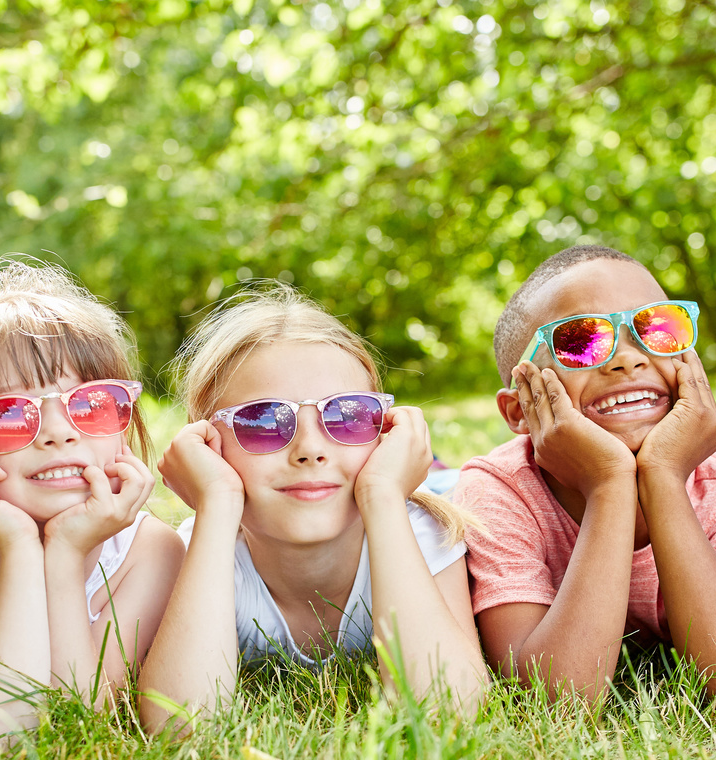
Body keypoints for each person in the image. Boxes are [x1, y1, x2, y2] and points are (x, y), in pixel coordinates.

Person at [139, 285, 487, 731]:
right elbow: (180, 726)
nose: (309, 449)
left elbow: (451, 714)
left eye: (348, 416)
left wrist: (383, 495)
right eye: (263, 421)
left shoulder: (421, 532)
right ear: (207, 447)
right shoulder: (200, 552)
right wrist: (218, 505)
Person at [457, 244, 716, 703]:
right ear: (518, 409)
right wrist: (610, 484)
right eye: (580, 341)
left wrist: (664, 477)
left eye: (658, 328)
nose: (628, 359)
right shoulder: (499, 491)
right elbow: (556, 705)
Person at [0, 264, 184, 749]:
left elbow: (79, 713)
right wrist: (20, 548)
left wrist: (65, 555)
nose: (58, 432)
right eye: (8, 414)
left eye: (90, 405)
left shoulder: (150, 552)